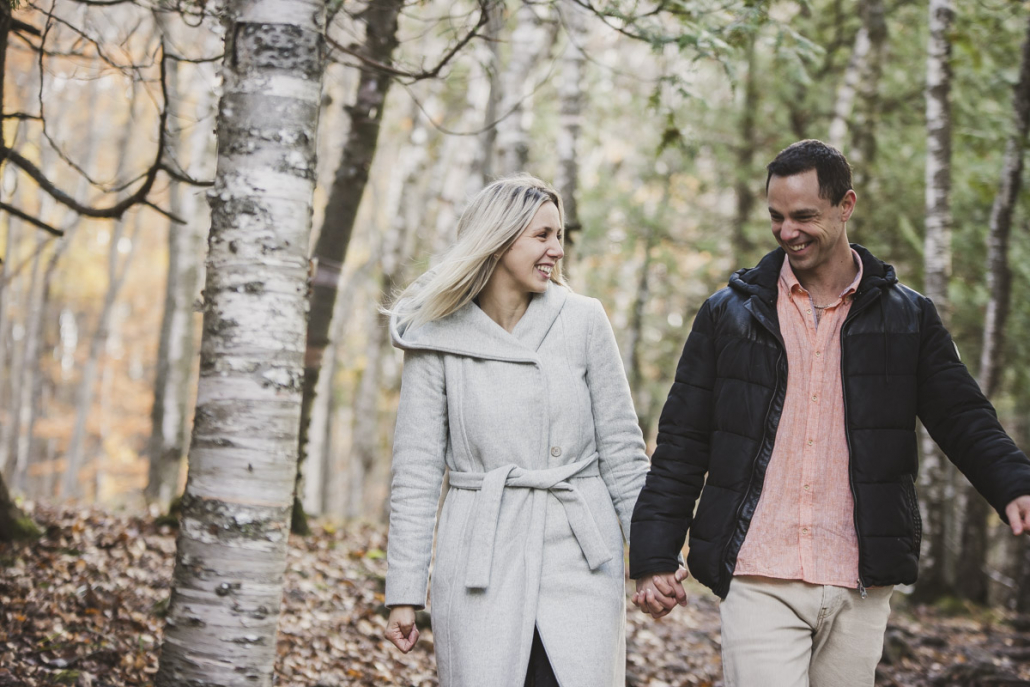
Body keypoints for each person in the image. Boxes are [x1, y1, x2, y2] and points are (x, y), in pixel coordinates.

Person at [628, 139, 1030, 687]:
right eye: (776, 216)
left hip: (858, 576)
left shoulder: (908, 317)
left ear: (846, 205)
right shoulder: (729, 315)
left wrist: (1013, 484)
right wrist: (654, 553)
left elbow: (962, 414)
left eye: (804, 216)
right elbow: (682, 441)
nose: (787, 231)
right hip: (758, 570)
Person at [381, 175, 650, 687]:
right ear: (499, 239)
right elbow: (415, 474)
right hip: (481, 554)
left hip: (580, 552)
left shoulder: (584, 320)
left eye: (560, 235)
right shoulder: (438, 335)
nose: (557, 250)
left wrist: (652, 556)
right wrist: (404, 593)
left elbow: (622, 449)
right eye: (542, 235)